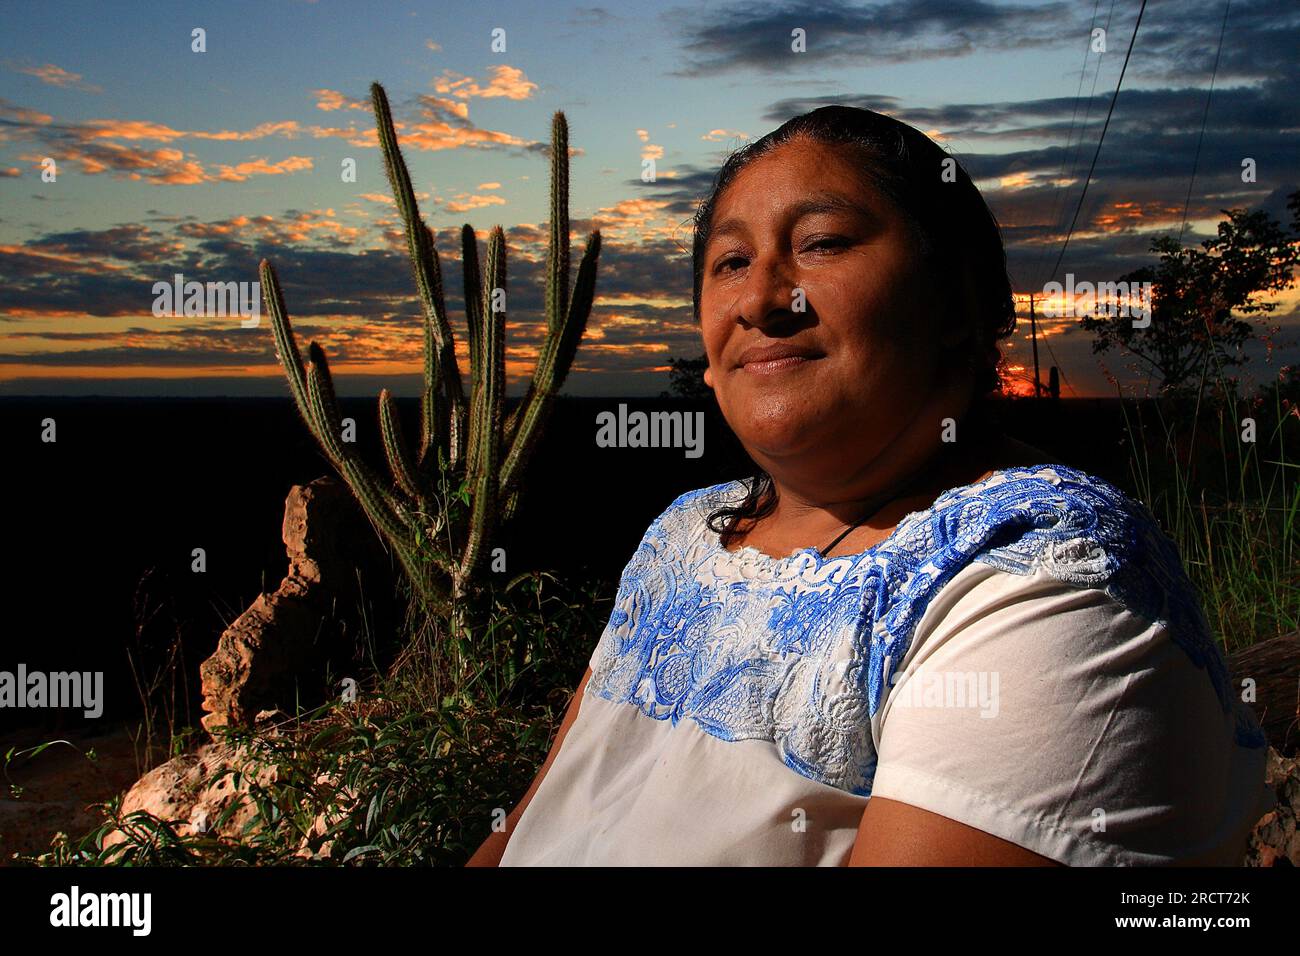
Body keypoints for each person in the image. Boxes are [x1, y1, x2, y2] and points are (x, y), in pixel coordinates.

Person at [468, 105, 1272, 867]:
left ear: (960, 298)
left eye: (821, 242)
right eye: (731, 261)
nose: (759, 298)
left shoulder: (1038, 580)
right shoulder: (688, 531)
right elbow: (540, 817)